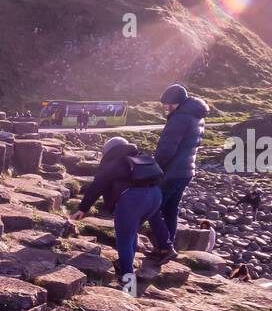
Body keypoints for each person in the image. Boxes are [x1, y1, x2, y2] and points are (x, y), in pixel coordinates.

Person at [71, 136, 175, 287]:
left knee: (124, 239)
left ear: (108, 150)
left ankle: (128, 283)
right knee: (131, 232)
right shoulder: (140, 156)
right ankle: (126, 262)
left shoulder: (112, 162)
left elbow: (97, 186)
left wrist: (83, 208)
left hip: (132, 200)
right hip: (155, 196)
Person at [154, 83, 210, 242]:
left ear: (176, 102)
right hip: (186, 172)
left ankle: (164, 246)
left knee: (152, 209)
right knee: (171, 210)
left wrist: (155, 167)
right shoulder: (196, 115)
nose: (167, 109)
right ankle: (168, 243)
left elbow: (167, 149)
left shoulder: (179, 118)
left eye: (169, 105)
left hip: (172, 172)